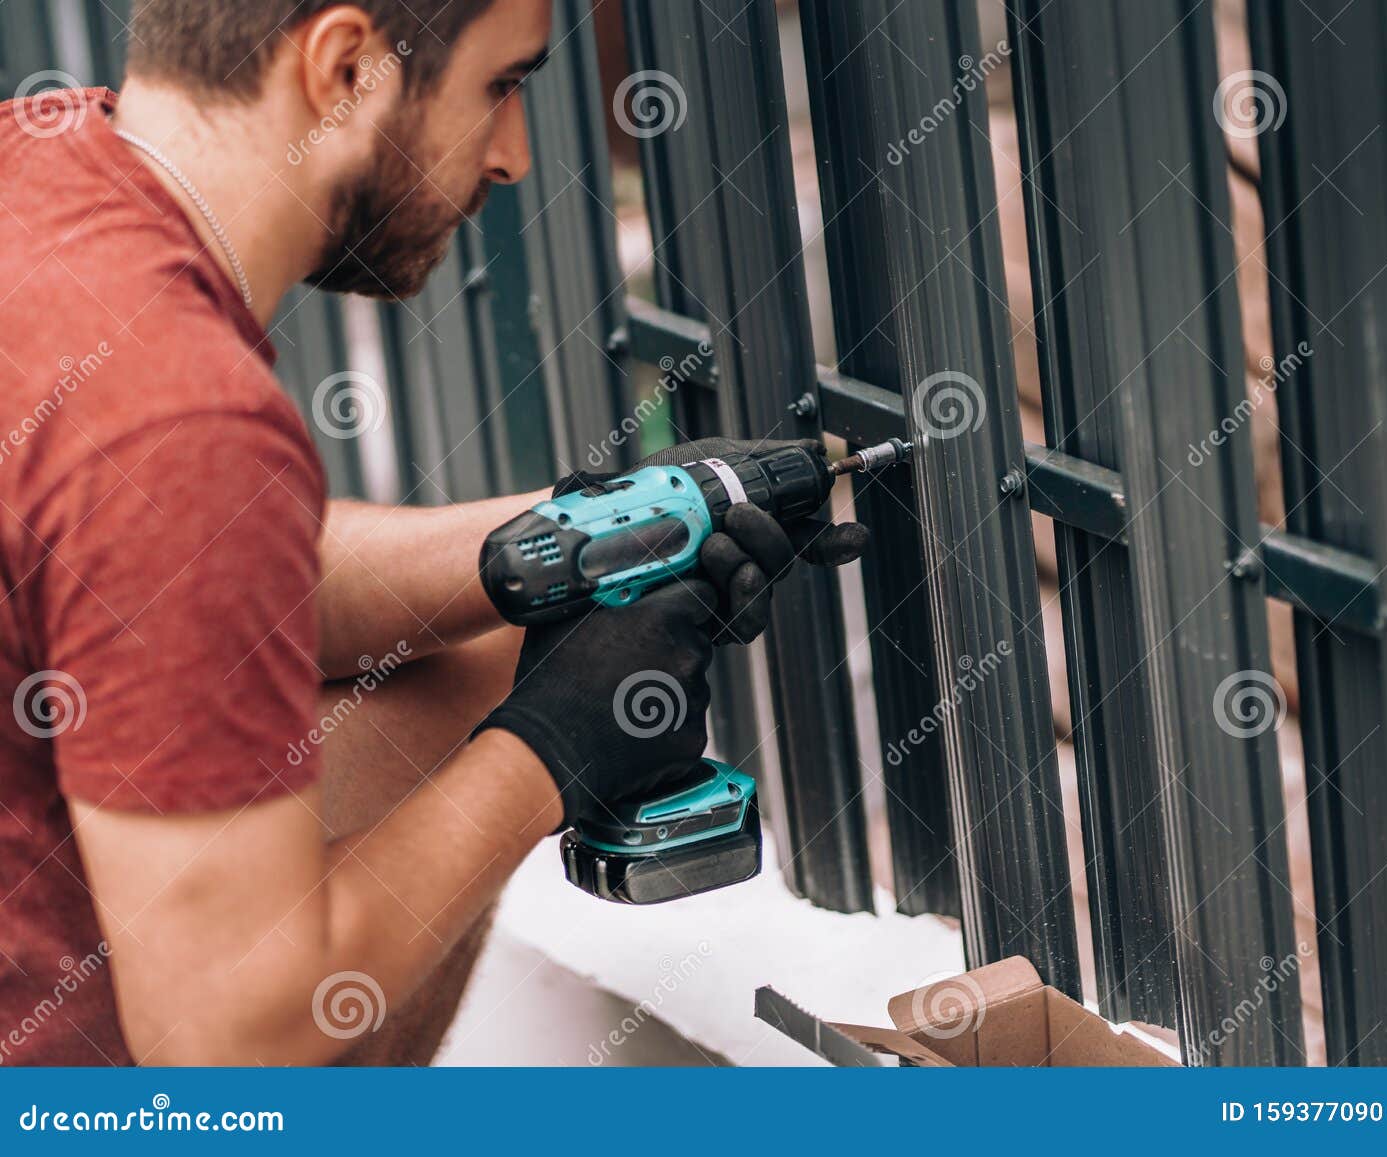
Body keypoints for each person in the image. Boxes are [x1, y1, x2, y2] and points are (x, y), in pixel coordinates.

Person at [0, 0, 866, 1065]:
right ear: (349, 67)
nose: (510, 158)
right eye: (501, 86)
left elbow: (188, 576)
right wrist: (553, 742)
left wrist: (561, 537)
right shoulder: (177, 416)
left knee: (493, 635)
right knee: (481, 676)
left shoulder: (39, 173)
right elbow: (230, 1039)